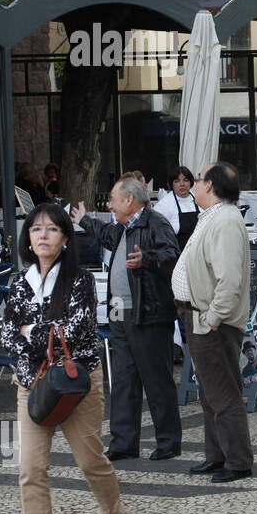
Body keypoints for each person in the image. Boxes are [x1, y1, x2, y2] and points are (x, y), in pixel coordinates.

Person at [2, 203, 128, 514]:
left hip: (77, 384)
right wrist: (36, 333)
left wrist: (30, 331)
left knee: (90, 461)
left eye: (52, 229)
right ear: (28, 238)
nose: (42, 235)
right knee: (30, 468)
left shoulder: (82, 281)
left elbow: (75, 330)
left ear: (65, 239)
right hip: (33, 385)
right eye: (36, 229)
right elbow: (7, 336)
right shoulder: (18, 284)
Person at [72, 177, 182, 462]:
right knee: (123, 379)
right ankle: (123, 442)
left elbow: (172, 256)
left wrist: (146, 259)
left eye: (113, 199)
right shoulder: (124, 227)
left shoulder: (154, 223)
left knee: (156, 379)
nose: (110, 204)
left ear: (129, 200)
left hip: (147, 311)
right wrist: (84, 220)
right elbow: (106, 234)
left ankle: (168, 441)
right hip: (119, 310)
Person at [173, 162, 254, 483]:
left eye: (199, 178)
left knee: (223, 394)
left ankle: (238, 462)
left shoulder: (225, 222)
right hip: (198, 316)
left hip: (212, 322)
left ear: (211, 186)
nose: (194, 183)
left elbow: (230, 280)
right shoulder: (213, 217)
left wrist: (212, 318)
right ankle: (216, 455)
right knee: (210, 393)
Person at [154, 166, 202, 250]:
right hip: (177, 255)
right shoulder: (164, 205)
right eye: (177, 181)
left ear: (191, 182)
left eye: (186, 180)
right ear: (172, 184)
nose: (182, 184)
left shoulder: (200, 200)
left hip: (199, 251)